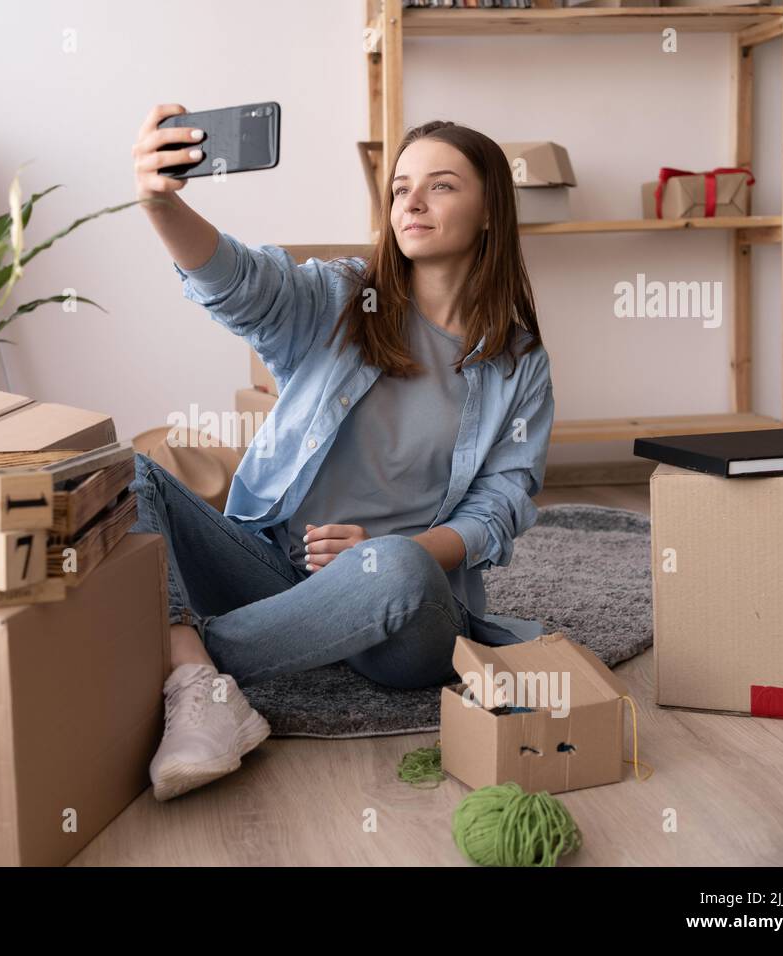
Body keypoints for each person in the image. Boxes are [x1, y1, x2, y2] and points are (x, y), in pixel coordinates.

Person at [128, 105, 554, 800]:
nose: (410, 201)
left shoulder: (518, 363)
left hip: (403, 610)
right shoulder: (337, 298)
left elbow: (502, 503)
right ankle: (196, 679)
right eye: (399, 188)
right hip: (271, 571)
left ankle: (178, 654)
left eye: (441, 186)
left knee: (394, 565)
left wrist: (396, 545)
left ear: (489, 214)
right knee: (127, 470)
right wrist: (158, 202)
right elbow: (239, 282)